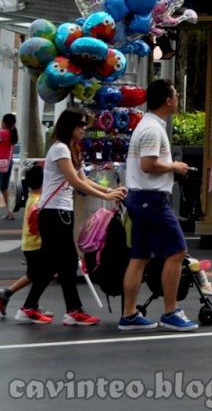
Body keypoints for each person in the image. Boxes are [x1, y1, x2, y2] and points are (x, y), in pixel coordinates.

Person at [20, 110, 126, 325]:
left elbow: (83, 179)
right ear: (70, 126)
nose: (84, 129)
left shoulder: (71, 149)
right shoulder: (60, 148)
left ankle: (33, 307)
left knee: (57, 264)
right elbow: (76, 183)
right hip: (54, 214)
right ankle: (71, 310)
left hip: (60, 213)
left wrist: (109, 191)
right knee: (65, 263)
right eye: (81, 125)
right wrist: (107, 195)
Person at [119, 79, 208, 330]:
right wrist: (174, 166)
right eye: (176, 95)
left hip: (139, 198)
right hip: (152, 200)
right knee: (177, 252)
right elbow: (148, 165)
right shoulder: (152, 129)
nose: (177, 99)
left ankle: (129, 314)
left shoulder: (146, 125)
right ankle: (170, 311)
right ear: (168, 100)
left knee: (139, 257)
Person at [0, 163, 44, 318]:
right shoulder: (38, 203)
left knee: (33, 275)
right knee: (39, 276)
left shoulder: (32, 198)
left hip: (29, 244)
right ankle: (26, 304)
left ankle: (8, 295)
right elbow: (36, 228)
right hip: (36, 244)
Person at [0, 112, 16, 218]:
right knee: (4, 188)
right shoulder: (13, 134)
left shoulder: (2, 133)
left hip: (1, 162)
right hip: (8, 163)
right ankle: (10, 212)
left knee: (3, 188)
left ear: (4, 123)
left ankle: (10, 212)